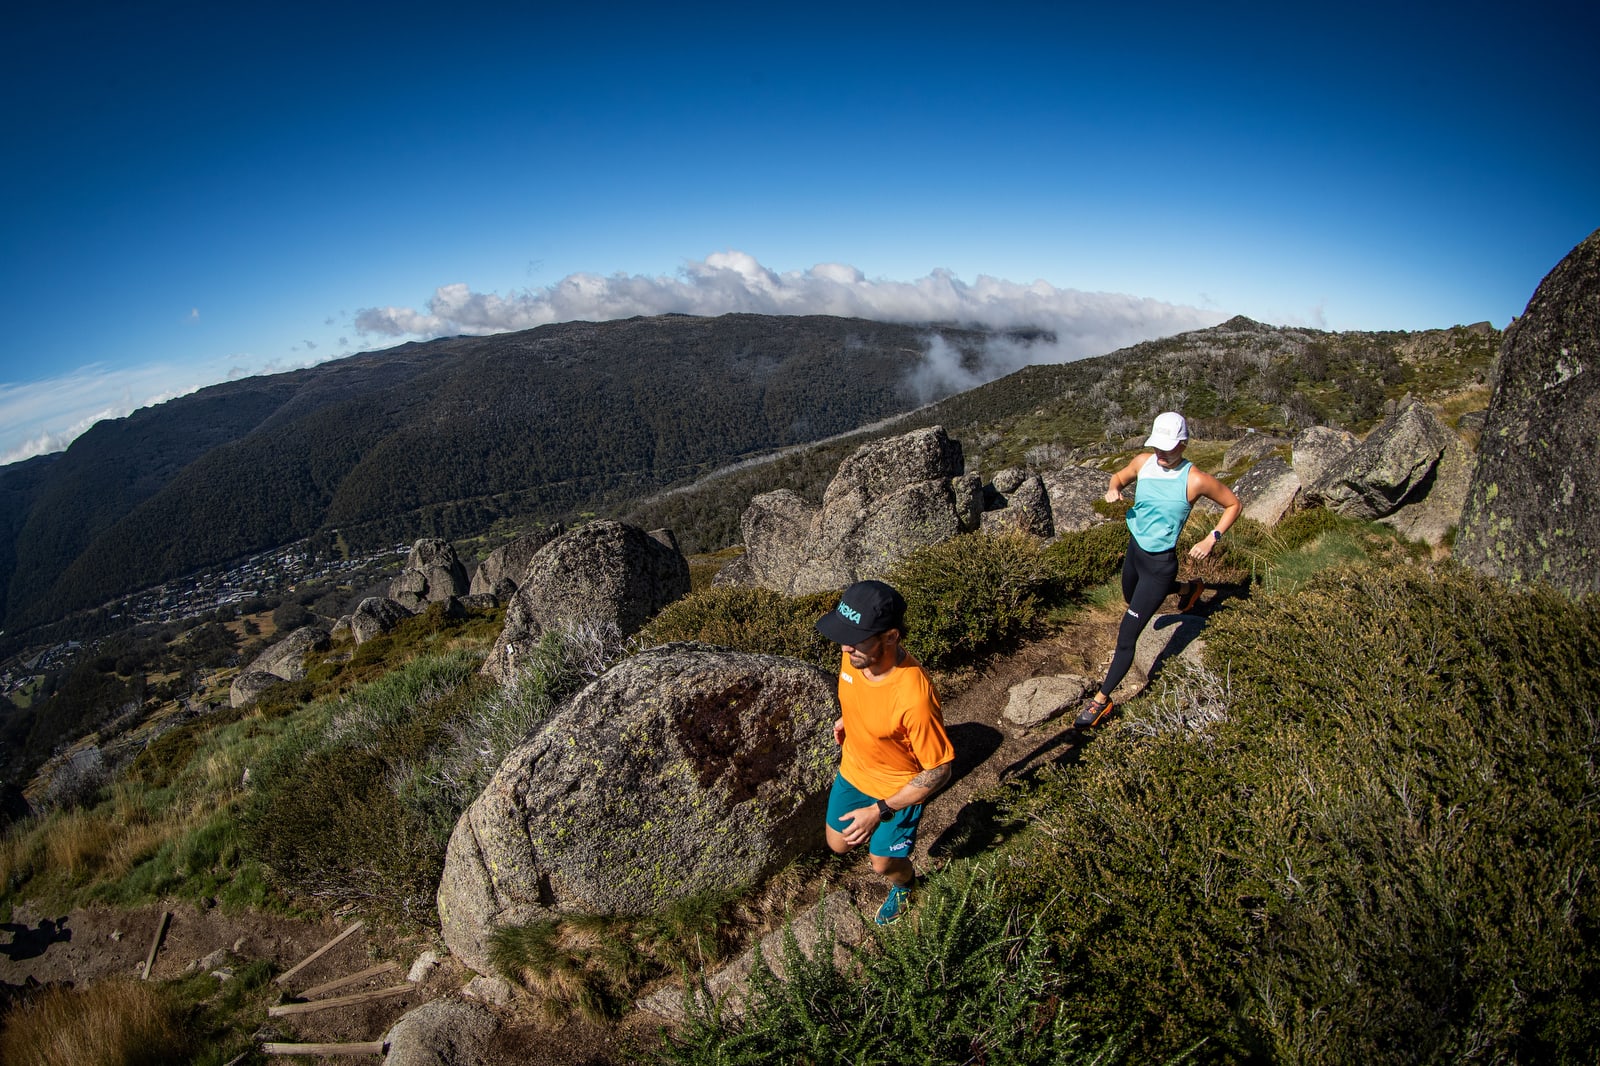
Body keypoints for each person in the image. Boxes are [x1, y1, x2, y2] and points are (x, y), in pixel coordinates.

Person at [1077, 411, 1241, 730]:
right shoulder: (1143, 462)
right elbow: (1118, 477)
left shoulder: (1195, 479)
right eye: (1157, 446)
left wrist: (1212, 537)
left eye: (1168, 447)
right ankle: (1190, 589)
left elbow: (1233, 504)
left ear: (1183, 443)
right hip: (1135, 551)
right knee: (1130, 596)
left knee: (1127, 634)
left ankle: (1101, 700)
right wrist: (1114, 490)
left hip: (1160, 565)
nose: (1161, 453)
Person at [815, 580, 955, 925]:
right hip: (854, 770)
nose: (845, 647)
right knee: (838, 843)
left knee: (882, 864)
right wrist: (850, 717)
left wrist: (878, 810)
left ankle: (907, 885)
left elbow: (940, 770)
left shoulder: (914, 697)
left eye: (856, 637)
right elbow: (859, 694)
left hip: (895, 787)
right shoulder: (855, 656)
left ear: (890, 637)